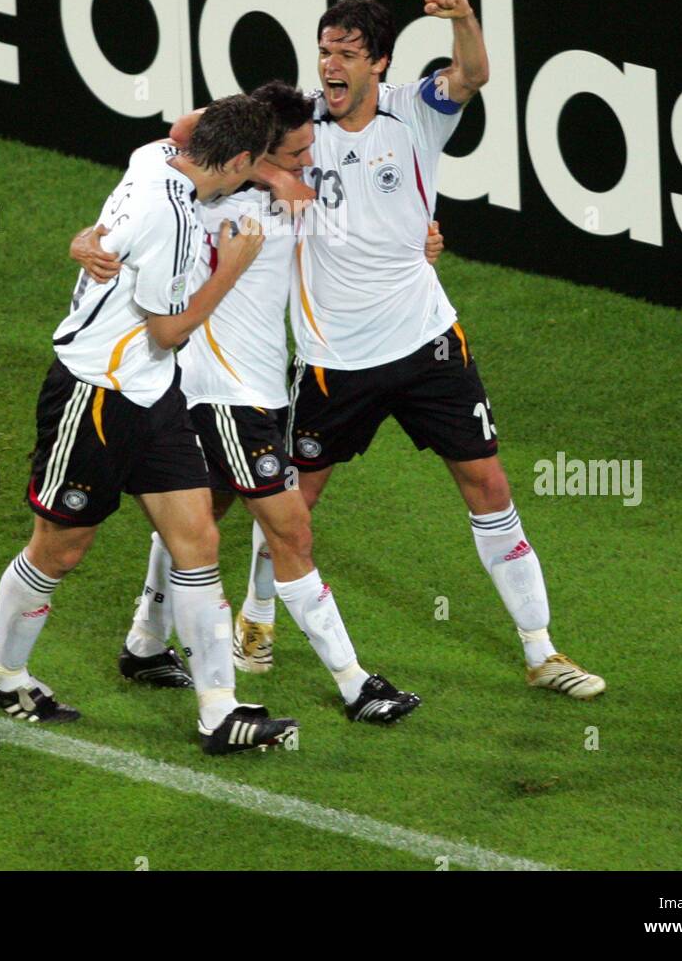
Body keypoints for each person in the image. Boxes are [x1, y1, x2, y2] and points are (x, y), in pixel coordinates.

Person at [72, 84, 442, 723]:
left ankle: (145, 642)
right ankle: (356, 685)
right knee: (291, 530)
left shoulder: (275, 203)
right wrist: (91, 240)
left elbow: (361, 246)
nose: (305, 167)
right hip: (224, 397)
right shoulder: (206, 203)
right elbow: (184, 127)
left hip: (248, 393)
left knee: (199, 518)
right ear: (253, 156)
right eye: (293, 156)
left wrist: (421, 244)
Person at [284, 0, 605, 700]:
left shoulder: (415, 112)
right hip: (333, 357)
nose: (330, 66)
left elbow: (474, 76)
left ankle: (541, 650)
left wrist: (461, 18)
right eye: (324, 51)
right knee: (289, 504)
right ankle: (254, 623)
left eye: (346, 54)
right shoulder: (296, 126)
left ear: (380, 63)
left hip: (427, 341)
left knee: (487, 483)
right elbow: (203, 139)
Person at [0, 95, 299, 755]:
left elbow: (185, 124)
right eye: (253, 165)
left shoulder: (152, 155)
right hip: (94, 396)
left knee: (198, 541)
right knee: (59, 550)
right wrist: (231, 268)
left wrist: (86, 237)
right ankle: (2, 673)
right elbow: (169, 328)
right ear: (237, 160)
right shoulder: (174, 222)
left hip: (154, 396)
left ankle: (219, 711)